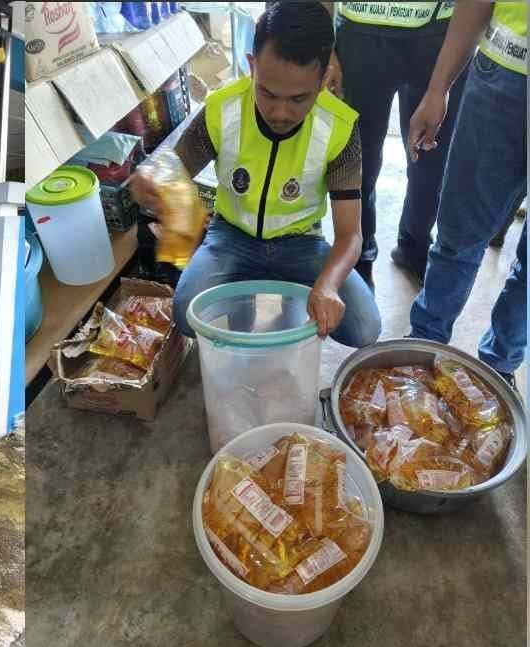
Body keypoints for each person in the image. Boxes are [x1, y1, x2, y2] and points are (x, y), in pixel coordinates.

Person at [131, 2, 381, 347]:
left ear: (324, 78)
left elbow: (351, 235)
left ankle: (284, 303)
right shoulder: (223, 108)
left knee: (364, 327)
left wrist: (327, 284)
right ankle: (242, 305)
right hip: (232, 235)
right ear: (251, 67)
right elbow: (177, 167)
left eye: (298, 98)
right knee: (186, 312)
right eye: (267, 92)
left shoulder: (340, 129)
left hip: (302, 241)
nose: (280, 112)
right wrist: (153, 178)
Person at [407, 2, 527, 387]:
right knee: (459, 234)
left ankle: (499, 369)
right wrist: (437, 87)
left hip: (503, 80)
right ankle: (422, 351)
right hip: (505, 74)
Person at [322, 1, 465, 288]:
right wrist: (324, 46)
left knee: (431, 158)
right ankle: (358, 256)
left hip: (440, 30)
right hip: (361, 29)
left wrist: (441, 88)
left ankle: (415, 245)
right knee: (358, 162)